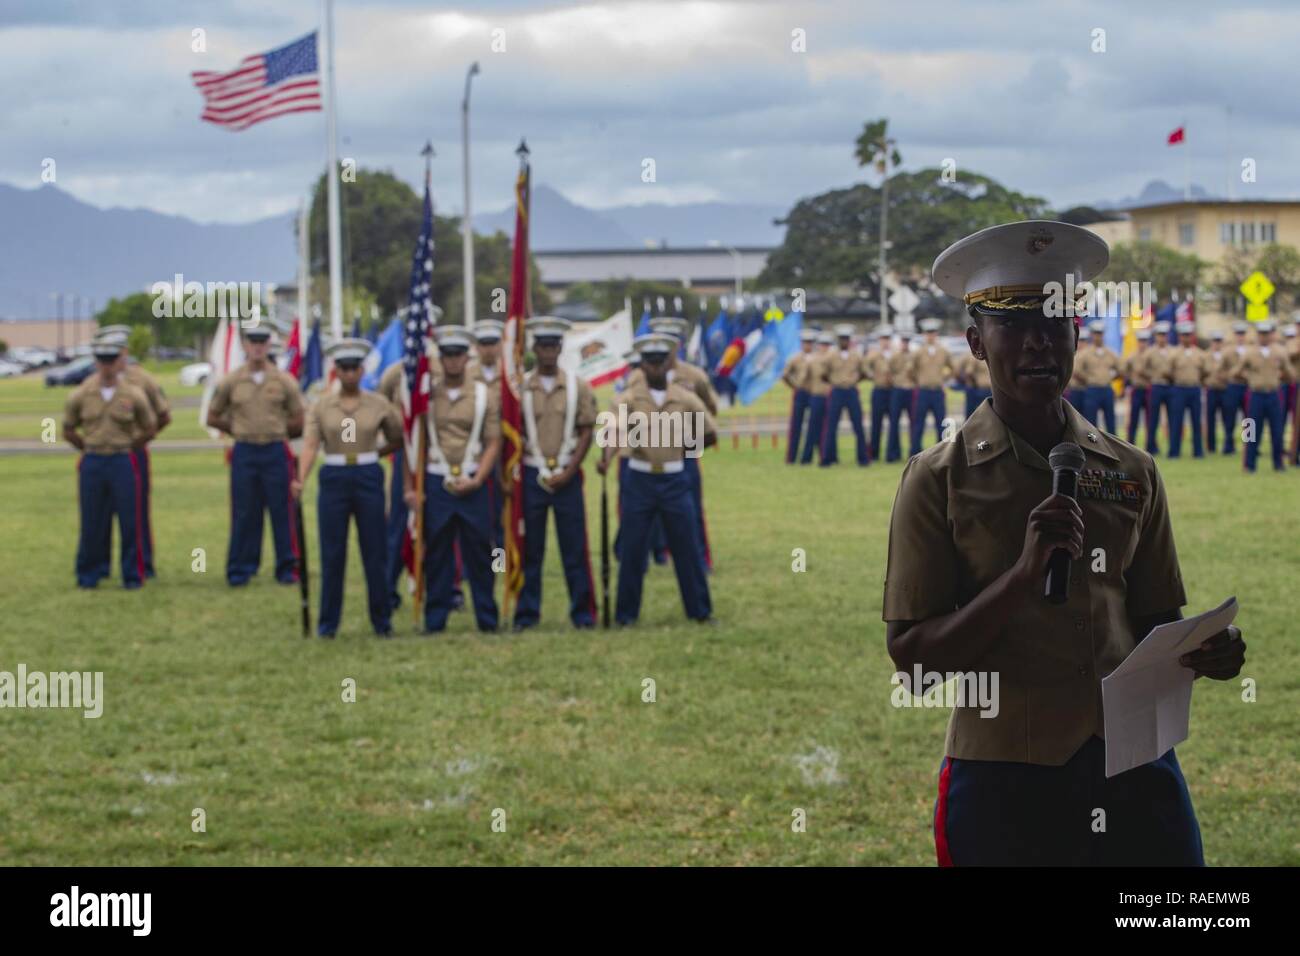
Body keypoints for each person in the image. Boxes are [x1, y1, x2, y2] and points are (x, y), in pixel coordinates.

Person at [890, 219, 1246, 866]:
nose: (1038, 344)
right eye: (1015, 326)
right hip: (1004, 777)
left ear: (1077, 335)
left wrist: (1200, 650)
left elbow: (1153, 619)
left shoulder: (1129, 470)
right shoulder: (937, 479)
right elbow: (914, 664)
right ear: (976, 341)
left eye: (1054, 325)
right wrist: (1021, 578)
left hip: (1132, 764)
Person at [598, 333, 716, 625]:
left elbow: (709, 432)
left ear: (668, 362)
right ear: (641, 365)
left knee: (686, 547)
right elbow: (613, 430)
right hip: (640, 479)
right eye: (648, 362)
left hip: (675, 479)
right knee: (633, 550)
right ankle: (626, 615)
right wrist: (608, 456)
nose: (654, 367)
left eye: (660, 361)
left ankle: (699, 611)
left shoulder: (684, 399)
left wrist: (684, 448)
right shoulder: (629, 399)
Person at [292, 339, 402, 638]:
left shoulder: (378, 403)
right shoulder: (322, 405)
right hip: (335, 475)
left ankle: (382, 621)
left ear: (362, 369)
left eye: (355, 368)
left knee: (375, 551)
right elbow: (312, 444)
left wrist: (374, 456)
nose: (350, 373)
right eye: (344, 368)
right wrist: (300, 478)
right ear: (336, 371)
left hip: (367, 473)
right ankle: (328, 624)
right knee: (332, 554)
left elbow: (397, 436)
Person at [404, 326, 502, 632]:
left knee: (481, 552)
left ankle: (487, 618)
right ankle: (436, 619)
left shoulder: (485, 394)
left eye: (459, 355)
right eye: (447, 356)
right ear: (440, 359)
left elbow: (493, 442)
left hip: (473, 479)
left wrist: (478, 478)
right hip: (437, 480)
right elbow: (413, 441)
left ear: (467, 357)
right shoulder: (425, 394)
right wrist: (411, 487)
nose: (453, 362)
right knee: (437, 553)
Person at [513, 317, 599, 631]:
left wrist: (570, 470)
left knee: (575, 548)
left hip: (567, 474)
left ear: (561, 348)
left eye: (553, 346)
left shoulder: (578, 386)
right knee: (529, 549)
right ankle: (526, 613)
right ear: (534, 349)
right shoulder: (520, 387)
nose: (548, 352)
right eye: (543, 346)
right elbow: (513, 431)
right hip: (532, 475)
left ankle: (583, 613)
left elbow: (586, 431)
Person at [206, 325, 305, 586]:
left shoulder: (283, 380)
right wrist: (237, 429)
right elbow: (213, 416)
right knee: (244, 512)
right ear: (245, 345)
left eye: (262, 341)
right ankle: (240, 568)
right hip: (245, 450)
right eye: (253, 342)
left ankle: (287, 567)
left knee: (281, 511)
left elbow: (299, 418)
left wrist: (281, 432)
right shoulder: (232, 380)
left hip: (274, 450)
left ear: (269, 343)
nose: (258, 347)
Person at [63, 331, 157, 589]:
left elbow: (149, 427)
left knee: (130, 520)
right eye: (102, 360)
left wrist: (130, 445)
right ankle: (89, 574)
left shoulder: (133, 394)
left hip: (122, 461)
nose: (107, 365)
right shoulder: (81, 394)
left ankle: (133, 574)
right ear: (95, 362)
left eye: (111, 359)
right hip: (93, 461)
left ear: (120, 361)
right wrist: (87, 447)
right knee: (92, 520)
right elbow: (68, 429)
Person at [95, 324, 171, 578]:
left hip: (133, 453)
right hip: (102, 453)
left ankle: (142, 564)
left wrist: (139, 440)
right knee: (100, 512)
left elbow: (163, 415)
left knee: (136, 512)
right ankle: (100, 566)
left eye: (116, 350)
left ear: (125, 350)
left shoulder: (142, 379)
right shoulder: (94, 380)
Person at [1238, 320, 1296, 473]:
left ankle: (1278, 463)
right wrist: (1249, 378)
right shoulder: (1249, 352)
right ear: (1258, 335)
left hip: (1273, 394)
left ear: (1271, 334)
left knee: (1277, 430)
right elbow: (1237, 371)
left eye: (1266, 333)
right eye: (1261, 333)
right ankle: (1249, 464)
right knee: (1250, 431)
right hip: (1255, 394)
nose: (1264, 337)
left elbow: (1290, 372)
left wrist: (1280, 377)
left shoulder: (1279, 351)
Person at [470, 320, 506, 552]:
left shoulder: (511, 375)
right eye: (483, 344)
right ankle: (468, 564)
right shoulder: (466, 375)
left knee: (502, 512)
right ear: (476, 346)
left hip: (504, 452)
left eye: (492, 343)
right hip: (474, 451)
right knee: (474, 512)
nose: (488, 349)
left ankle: (500, 561)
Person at [820, 323, 870, 466]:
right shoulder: (831, 355)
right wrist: (834, 382)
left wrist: (854, 381)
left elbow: (864, 372)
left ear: (849, 340)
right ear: (838, 340)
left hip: (851, 391)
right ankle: (827, 458)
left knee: (858, 425)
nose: (844, 342)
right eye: (842, 339)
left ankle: (863, 458)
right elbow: (823, 373)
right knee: (831, 426)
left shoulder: (856, 355)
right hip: (837, 391)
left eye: (846, 339)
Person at [911, 318, 954, 452]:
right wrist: (918, 380)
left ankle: (942, 452)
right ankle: (915, 451)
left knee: (940, 422)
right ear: (924, 335)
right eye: (928, 333)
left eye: (933, 333)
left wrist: (943, 378)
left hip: (937, 391)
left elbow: (952, 368)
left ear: (936, 334)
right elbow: (910, 370)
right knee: (919, 423)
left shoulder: (943, 351)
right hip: (923, 391)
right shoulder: (918, 352)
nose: (930, 336)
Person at [1167, 321, 1208, 458]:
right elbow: (1168, 372)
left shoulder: (1200, 354)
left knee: (1197, 422)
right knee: (1176, 422)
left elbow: (1204, 372)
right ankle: (1174, 451)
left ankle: (1198, 451)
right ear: (1180, 336)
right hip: (1179, 389)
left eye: (1189, 335)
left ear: (1192, 336)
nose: (1186, 338)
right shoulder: (1173, 354)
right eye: (1184, 335)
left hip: (1194, 389)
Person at [1076, 320, 1121, 433]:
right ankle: (1093, 447)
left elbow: (1120, 369)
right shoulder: (1085, 353)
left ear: (1103, 334)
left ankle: (1112, 447)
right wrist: (1088, 379)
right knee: (1091, 423)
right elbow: (1077, 370)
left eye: (1100, 333)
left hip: (1107, 389)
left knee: (1110, 421)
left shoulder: (1110, 353)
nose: (1098, 336)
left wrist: (1110, 377)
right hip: (1092, 389)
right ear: (1091, 335)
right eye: (1095, 333)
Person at [781, 329, 818, 464]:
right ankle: (791, 457)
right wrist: (794, 385)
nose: (808, 345)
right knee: (796, 426)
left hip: (814, 392)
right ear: (802, 344)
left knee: (814, 426)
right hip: (800, 392)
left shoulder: (818, 358)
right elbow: (785, 374)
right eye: (805, 342)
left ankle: (807, 457)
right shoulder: (795, 358)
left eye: (810, 342)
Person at [1141, 321, 1175, 455]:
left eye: (1165, 335)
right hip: (1156, 386)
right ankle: (1151, 446)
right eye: (1160, 335)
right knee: (1153, 418)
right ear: (1156, 336)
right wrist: (1153, 376)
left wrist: (1172, 376)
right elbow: (1141, 369)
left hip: (1170, 386)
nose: (1162, 337)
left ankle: (1173, 448)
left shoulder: (1173, 351)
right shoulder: (1150, 352)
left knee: (1172, 418)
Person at [800, 332, 833, 464]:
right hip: (817, 395)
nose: (824, 347)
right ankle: (806, 457)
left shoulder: (834, 359)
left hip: (831, 397)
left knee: (828, 429)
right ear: (819, 346)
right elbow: (804, 379)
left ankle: (828, 457)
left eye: (827, 345)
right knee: (813, 428)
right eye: (822, 345)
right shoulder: (813, 360)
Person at [864, 327, 895, 459]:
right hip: (879, 390)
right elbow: (864, 366)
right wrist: (871, 375)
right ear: (879, 340)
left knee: (893, 423)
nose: (885, 342)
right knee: (876, 423)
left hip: (893, 391)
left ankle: (892, 454)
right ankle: (874, 453)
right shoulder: (874, 354)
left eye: (887, 339)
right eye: (883, 339)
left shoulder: (895, 354)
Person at [886, 330, 916, 462]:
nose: (905, 344)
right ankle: (892, 454)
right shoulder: (895, 356)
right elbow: (888, 372)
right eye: (903, 341)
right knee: (894, 422)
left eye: (907, 342)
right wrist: (893, 383)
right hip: (897, 390)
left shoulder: (914, 356)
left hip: (910, 390)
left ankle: (914, 452)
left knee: (914, 422)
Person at [1221, 321, 1250, 455]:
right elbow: (1220, 370)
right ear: (1235, 335)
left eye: (1243, 334)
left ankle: (1249, 446)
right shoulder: (1227, 352)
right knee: (1230, 417)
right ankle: (1229, 445)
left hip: (1248, 386)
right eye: (1238, 334)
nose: (1241, 336)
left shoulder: (1251, 350)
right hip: (1233, 386)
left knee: (1249, 419)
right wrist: (1231, 375)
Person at [1123, 328, 1154, 447]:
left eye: (1145, 341)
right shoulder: (1132, 356)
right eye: (1141, 340)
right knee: (1133, 418)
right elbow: (1126, 371)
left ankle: (1151, 444)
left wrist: (1145, 374)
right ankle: (1131, 443)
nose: (1143, 343)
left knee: (1150, 419)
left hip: (1148, 389)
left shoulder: (1152, 355)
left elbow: (1157, 372)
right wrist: (1130, 380)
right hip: (1136, 389)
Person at [1203, 330, 1232, 454]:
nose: (1217, 344)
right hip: (1211, 389)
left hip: (1225, 389)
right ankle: (1211, 446)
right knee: (1210, 419)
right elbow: (1202, 372)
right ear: (1211, 342)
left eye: (1219, 341)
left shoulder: (1227, 356)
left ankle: (1228, 446)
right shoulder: (1206, 355)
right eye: (1215, 341)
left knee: (1228, 419)